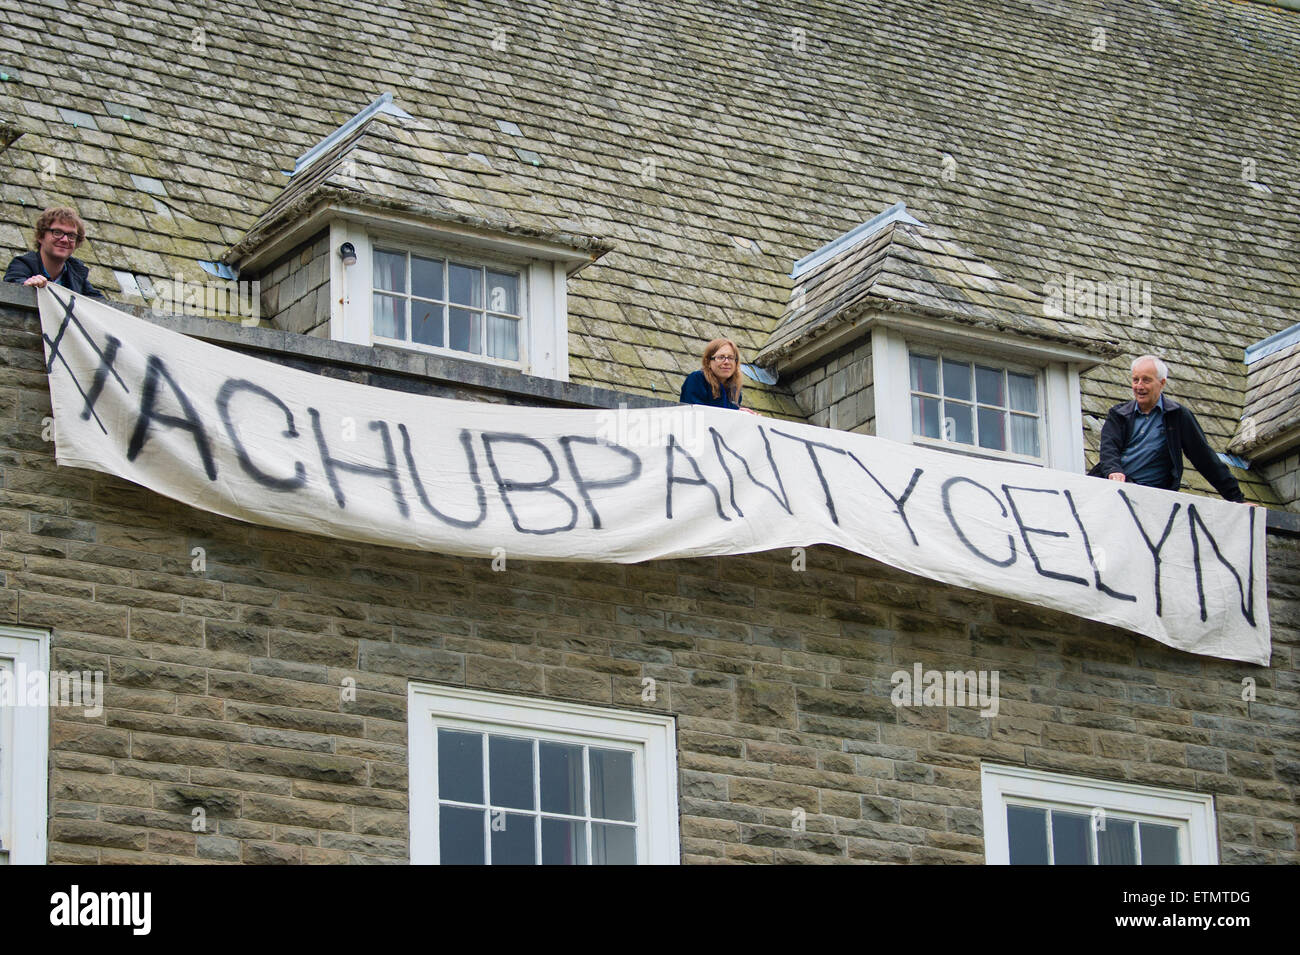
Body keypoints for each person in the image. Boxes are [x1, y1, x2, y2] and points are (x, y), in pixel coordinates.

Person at [1090, 354, 1245, 502]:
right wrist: (1113, 471)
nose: (1139, 386)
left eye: (1146, 380)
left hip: (1149, 498)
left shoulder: (1178, 416)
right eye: (1135, 380)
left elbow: (1204, 458)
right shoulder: (1118, 414)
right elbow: (1109, 449)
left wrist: (1237, 499)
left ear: (1162, 383)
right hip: (1113, 491)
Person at [4, 207, 105, 298]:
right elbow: (12, 287)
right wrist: (27, 286)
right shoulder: (22, 265)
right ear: (40, 236)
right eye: (57, 232)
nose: (65, 240)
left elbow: (101, 304)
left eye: (71, 236)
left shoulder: (76, 273)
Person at [680, 338, 745, 409]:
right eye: (720, 357)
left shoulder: (734, 390)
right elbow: (695, 414)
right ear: (708, 362)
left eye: (731, 358)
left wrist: (741, 413)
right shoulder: (697, 379)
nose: (727, 362)